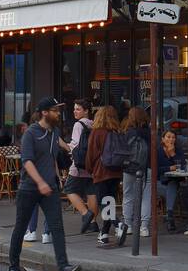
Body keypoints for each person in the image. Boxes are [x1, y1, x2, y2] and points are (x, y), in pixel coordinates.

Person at [6, 98, 80, 271]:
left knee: (57, 226)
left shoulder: (54, 132)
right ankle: (13, 267)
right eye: (55, 110)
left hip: (50, 188)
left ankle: (63, 267)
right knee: (21, 227)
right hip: (30, 188)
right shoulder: (30, 133)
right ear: (45, 112)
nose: (59, 113)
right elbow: (27, 161)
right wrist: (40, 182)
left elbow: (52, 157)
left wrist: (58, 177)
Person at [86, 105, 124, 246]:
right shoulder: (117, 131)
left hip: (101, 172)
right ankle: (104, 233)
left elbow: (90, 155)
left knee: (104, 203)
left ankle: (118, 223)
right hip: (116, 172)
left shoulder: (97, 132)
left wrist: (90, 170)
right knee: (110, 202)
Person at [119, 106, 152, 246]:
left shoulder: (128, 132)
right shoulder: (148, 133)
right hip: (147, 167)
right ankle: (144, 227)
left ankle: (128, 225)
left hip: (129, 168)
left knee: (128, 196)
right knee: (146, 196)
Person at [64, 100, 96, 231]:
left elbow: (75, 145)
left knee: (69, 189)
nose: (75, 111)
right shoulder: (94, 124)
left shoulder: (78, 125)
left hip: (79, 165)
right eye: (74, 109)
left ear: (86, 110)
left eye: (78, 109)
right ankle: (93, 223)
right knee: (91, 192)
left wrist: (65, 146)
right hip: (91, 165)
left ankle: (86, 213)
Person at [157, 129, 186, 233]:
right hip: (159, 183)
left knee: (172, 185)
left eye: (173, 137)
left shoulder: (178, 150)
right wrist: (169, 168)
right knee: (171, 189)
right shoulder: (158, 151)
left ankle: (169, 216)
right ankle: (170, 217)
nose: (171, 139)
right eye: (168, 137)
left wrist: (173, 153)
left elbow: (183, 166)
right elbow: (155, 169)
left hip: (175, 183)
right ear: (163, 139)